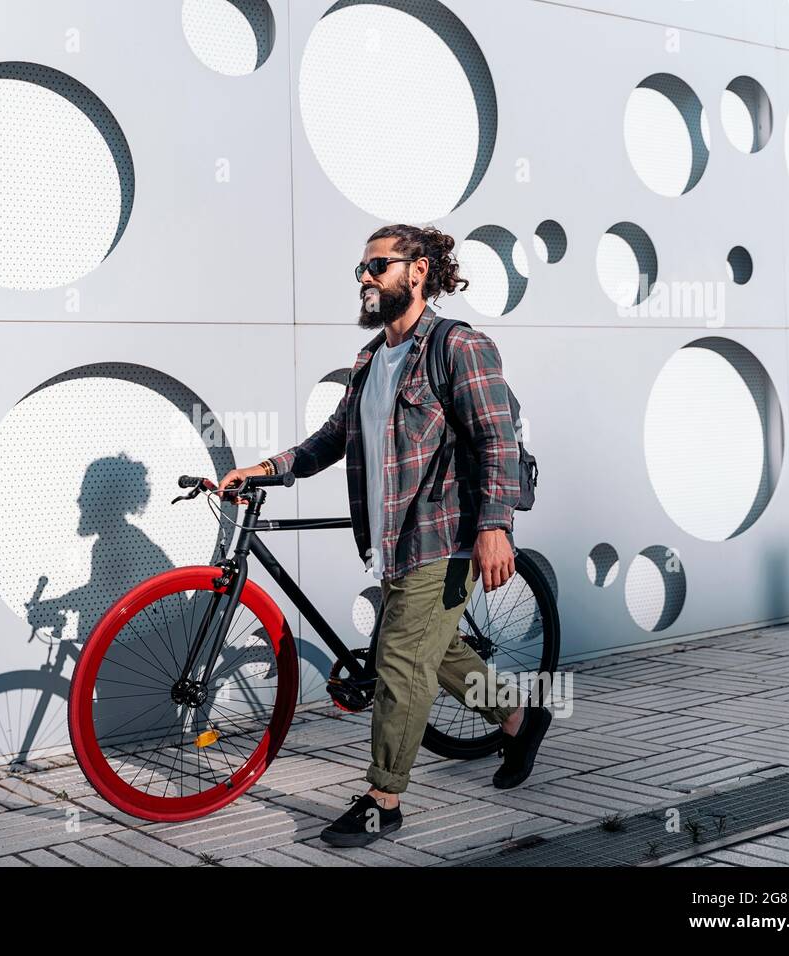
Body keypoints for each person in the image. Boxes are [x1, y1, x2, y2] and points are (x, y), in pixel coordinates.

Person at [219, 224, 552, 848]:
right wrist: (265, 469)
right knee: (437, 650)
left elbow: (496, 439)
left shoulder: (458, 346)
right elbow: (330, 439)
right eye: (362, 270)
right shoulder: (372, 358)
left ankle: (383, 797)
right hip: (392, 541)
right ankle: (519, 715)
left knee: (400, 656)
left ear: (418, 270)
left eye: (377, 266)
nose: (365, 279)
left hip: (444, 536)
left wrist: (495, 529)